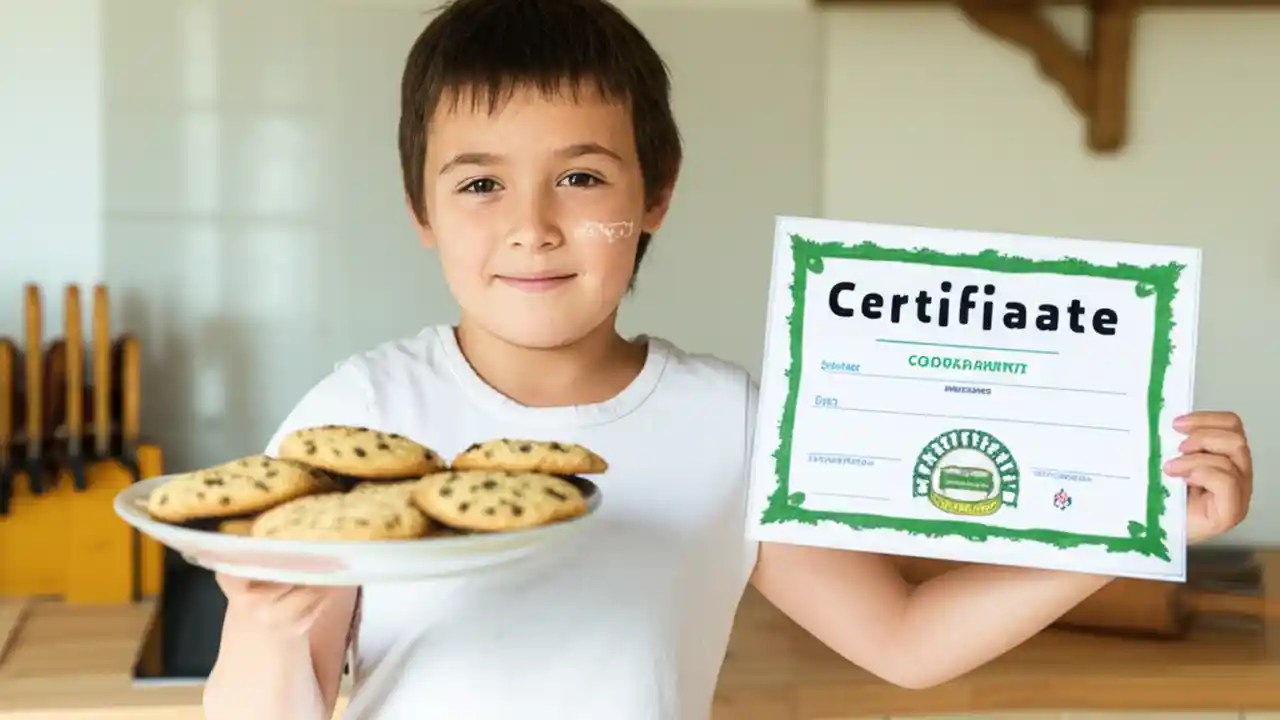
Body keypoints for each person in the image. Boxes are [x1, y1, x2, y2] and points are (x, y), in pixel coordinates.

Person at [199, 0, 1256, 718]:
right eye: (478, 184)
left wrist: (1136, 519)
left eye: (579, 179)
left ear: (653, 193)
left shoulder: (729, 422)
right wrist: (260, 623)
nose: (530, 225)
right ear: (419, 208)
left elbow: (902, 638)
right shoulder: (363, 418)